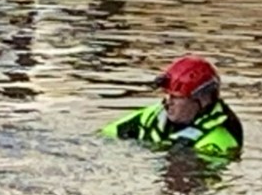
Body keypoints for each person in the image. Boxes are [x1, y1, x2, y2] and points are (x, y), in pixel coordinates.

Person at [101, 54, 244, 157]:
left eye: (177, 98)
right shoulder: (157, 114)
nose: (168, 103)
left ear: (203, 100)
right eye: (167, 95)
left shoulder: (218, 141)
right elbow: (105, 135)